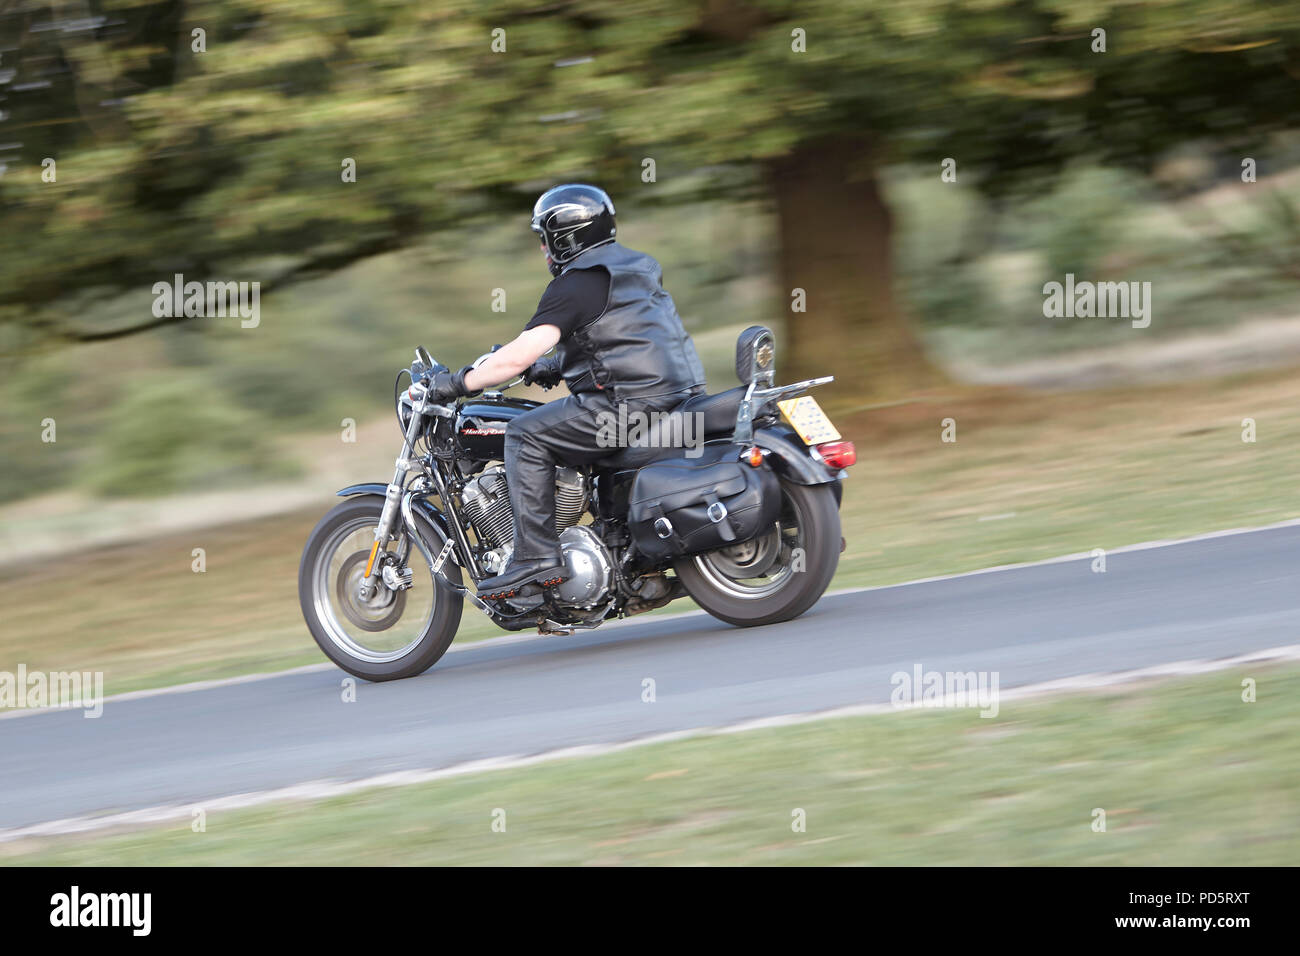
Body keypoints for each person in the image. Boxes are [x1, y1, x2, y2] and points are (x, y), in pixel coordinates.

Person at [427, 183, 706, 600]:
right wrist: (555, 366)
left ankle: (536, 560)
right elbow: (628, 340)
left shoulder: (575, 283)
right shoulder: (637, 267)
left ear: (563, 237)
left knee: (524, 434)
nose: (542, 250)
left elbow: (514, 358)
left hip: (627, 409)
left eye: (544, 239)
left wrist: (456, 382)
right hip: (675, 400)